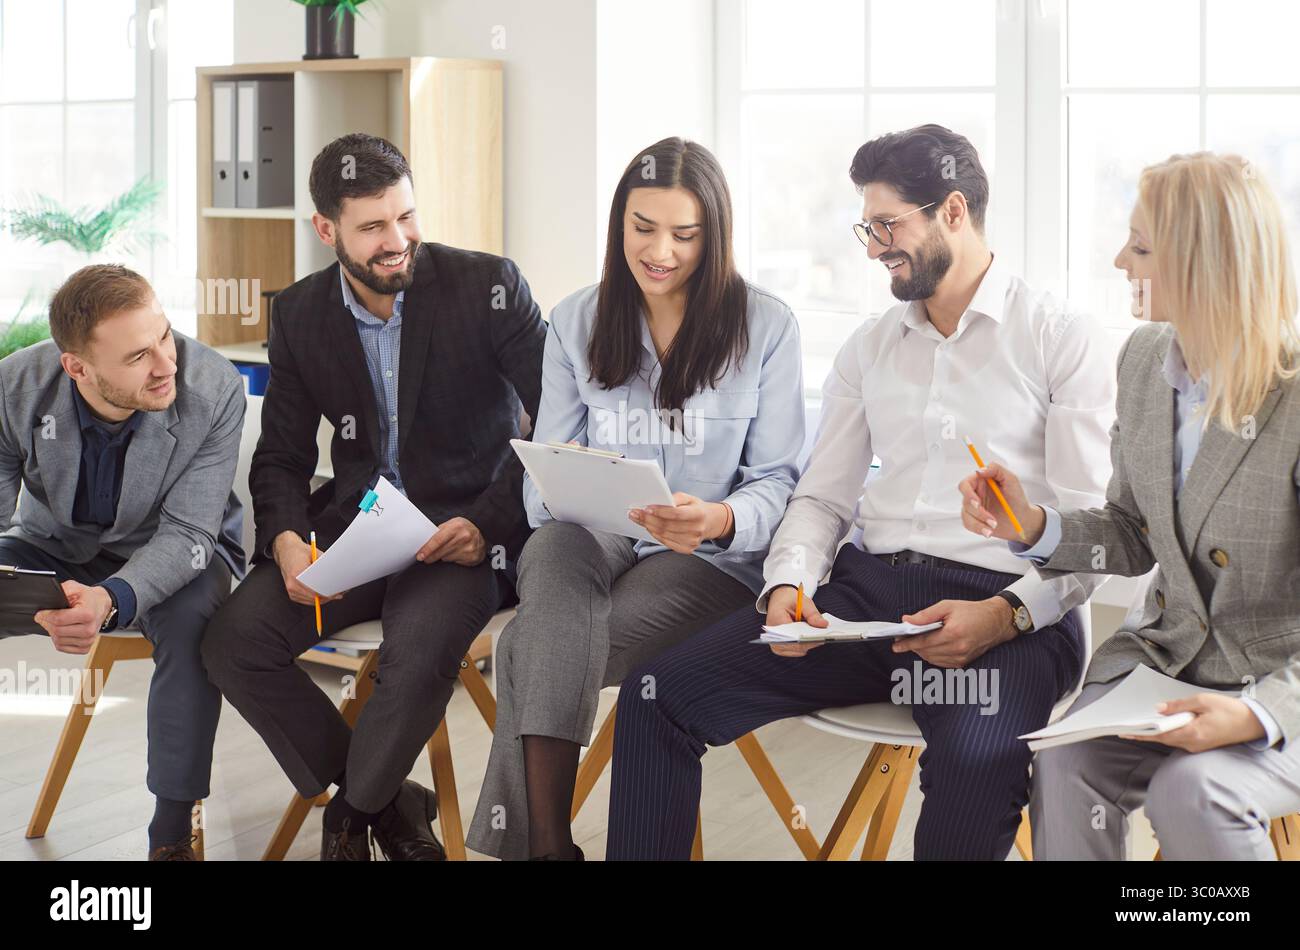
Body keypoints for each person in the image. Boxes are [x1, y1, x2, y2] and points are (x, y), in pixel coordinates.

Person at [606, 124, 1116, 860]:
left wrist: (1005, 616)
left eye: (887, 226)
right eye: (866, 227)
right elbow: (821, 501)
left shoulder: (1059, 336)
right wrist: (787, 584)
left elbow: (1092, 532)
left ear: (951, 211)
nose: (874, 247)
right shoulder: (869, 347)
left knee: (978, 763)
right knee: (658, 696)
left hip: (1011, 607)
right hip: (869, 599)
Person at [201, 133, 546, 861]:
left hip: (464, 538)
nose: (398, 241)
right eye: (373, 227)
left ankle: (350, 816)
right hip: (357, 529)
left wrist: (485, 524)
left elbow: (558, 429)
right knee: (234, 642)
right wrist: (287, 536)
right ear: (326, 231)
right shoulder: (298, 314)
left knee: (417, 653)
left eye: (406, 217)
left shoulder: (489, 287)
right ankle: (386, 799)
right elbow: (284, 454)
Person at [465, 137, 805, 861]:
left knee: (527, 644)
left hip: (709, 559)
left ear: (713, 237)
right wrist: (573, 485)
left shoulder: (767, 327)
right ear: (619, 222)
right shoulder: (575, 320)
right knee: (553, 543)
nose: (660, 252)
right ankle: (551, 847)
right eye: (642, 227)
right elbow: (540, 482)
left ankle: (542, 849)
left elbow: (779, 481)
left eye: (684, 235)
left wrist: (717, 519)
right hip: (594, 538)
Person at [959, 152, 1300, 860]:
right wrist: (1034, 527)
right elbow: (1132, 531)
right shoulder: (1145, 360)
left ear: (1208, 262)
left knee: (1191, 790)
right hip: (1165, 669)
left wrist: (1255, 712)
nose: (1120, 260)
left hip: (1278, 688)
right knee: (1065, 759)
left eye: (1141, 246)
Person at [0, 264, 245, 860]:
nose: (167, 364)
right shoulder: (14, 389)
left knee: (193, 629)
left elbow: (189, 528)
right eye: (138, 356)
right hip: (54, 546)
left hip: (180, 548)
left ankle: (169, 840)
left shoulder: (212, 387)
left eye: (164, 335)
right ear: (77, 367)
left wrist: (109, 598)